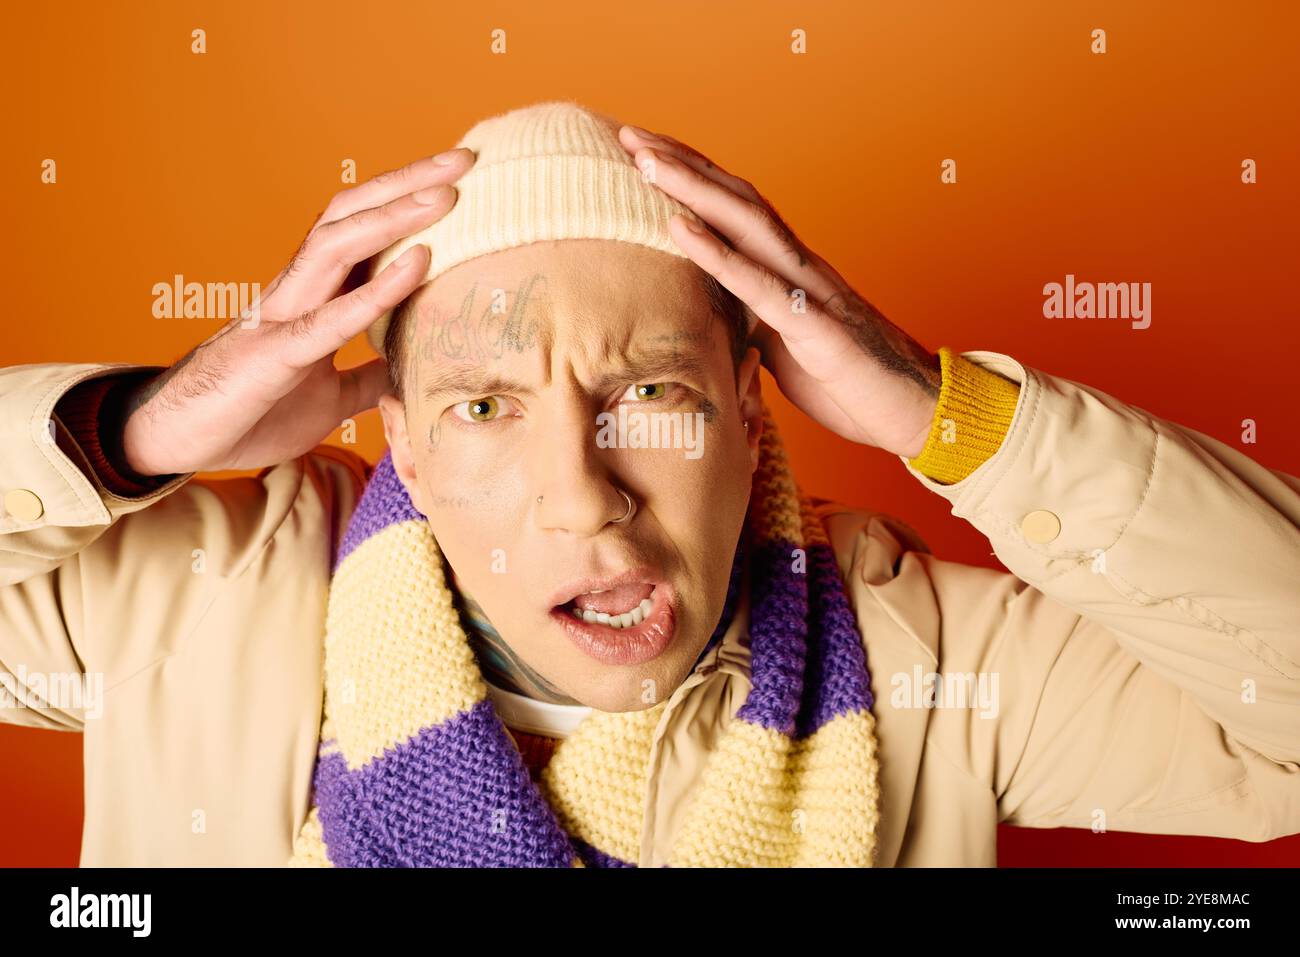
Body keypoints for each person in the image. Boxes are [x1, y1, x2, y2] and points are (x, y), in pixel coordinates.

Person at [2, 100, 1296, 867]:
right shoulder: (195, 600)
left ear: (749, 410)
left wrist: (949, 415)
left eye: (650, 393)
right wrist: (150, 429)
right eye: (487, 406)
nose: (585, 494)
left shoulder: (924, 661)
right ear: (401, 439)